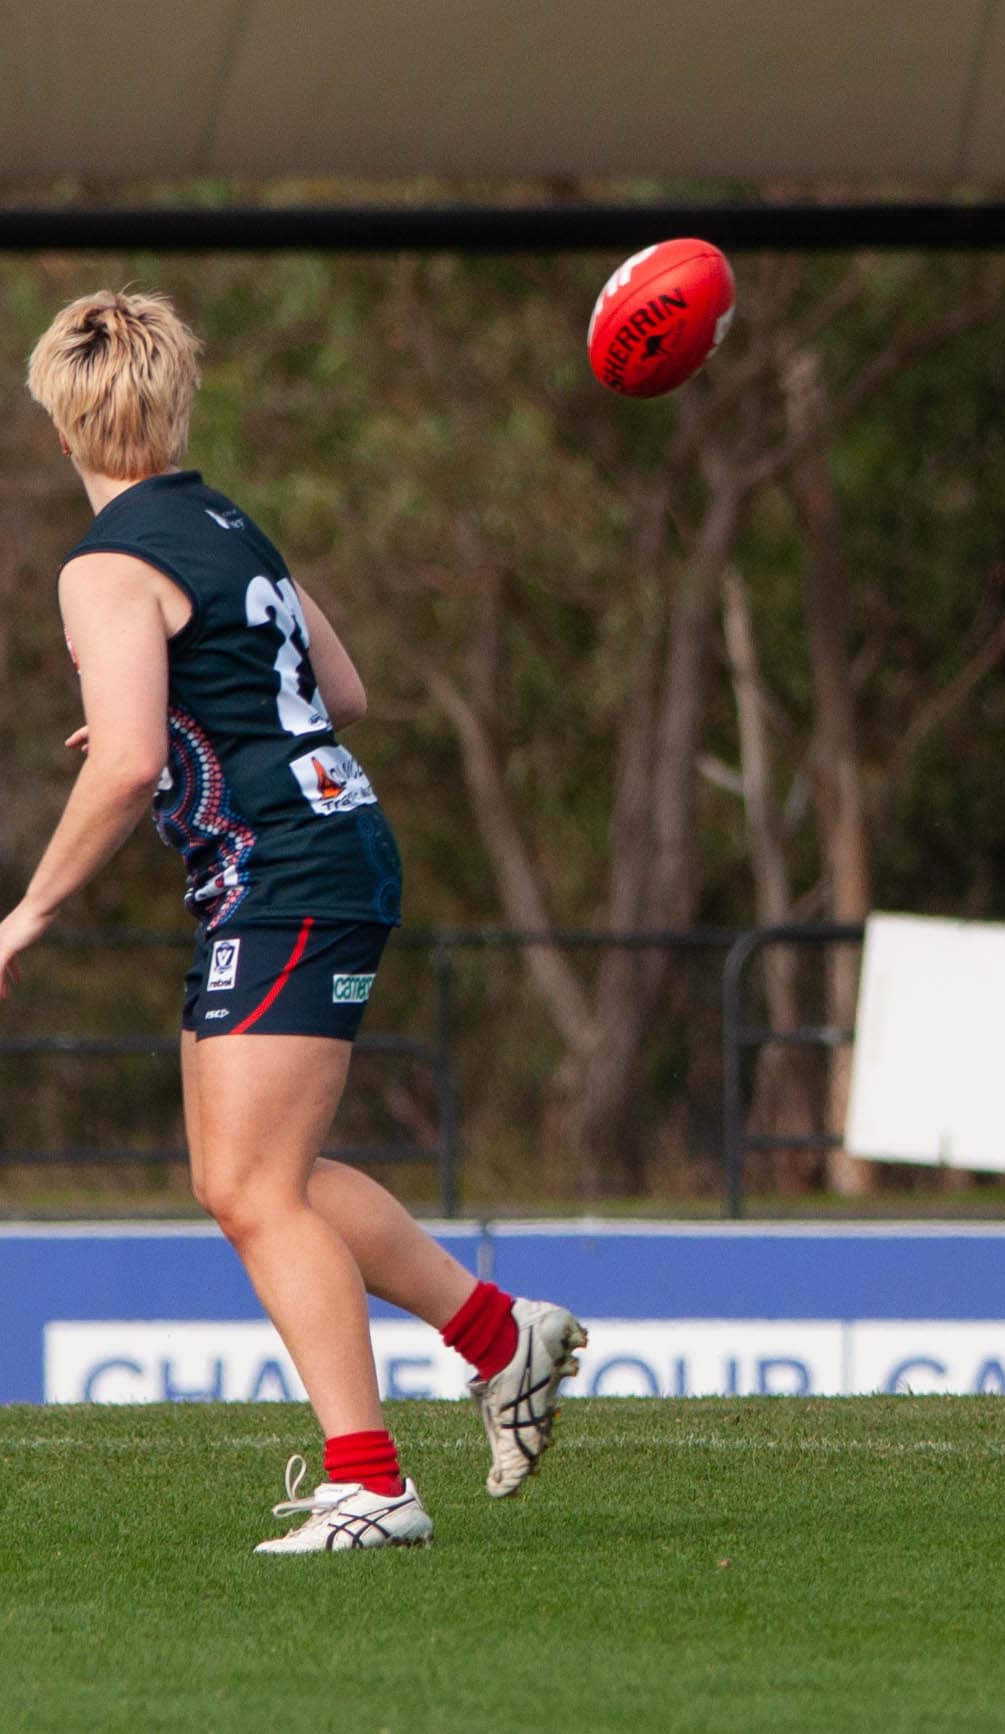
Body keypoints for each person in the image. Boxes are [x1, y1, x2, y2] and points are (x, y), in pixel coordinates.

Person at [3, 290, 588, 1550]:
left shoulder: (105, 563)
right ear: (175, 406)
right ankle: (501, 1338)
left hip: (285, 870)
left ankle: (372, 1484)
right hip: (310, 853)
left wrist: (28, 911)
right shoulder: (227, 524)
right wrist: (163, 718)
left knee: (255, 1188)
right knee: (256, 1180)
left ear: (60, 427)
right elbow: (344, 688)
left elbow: (125, 767)